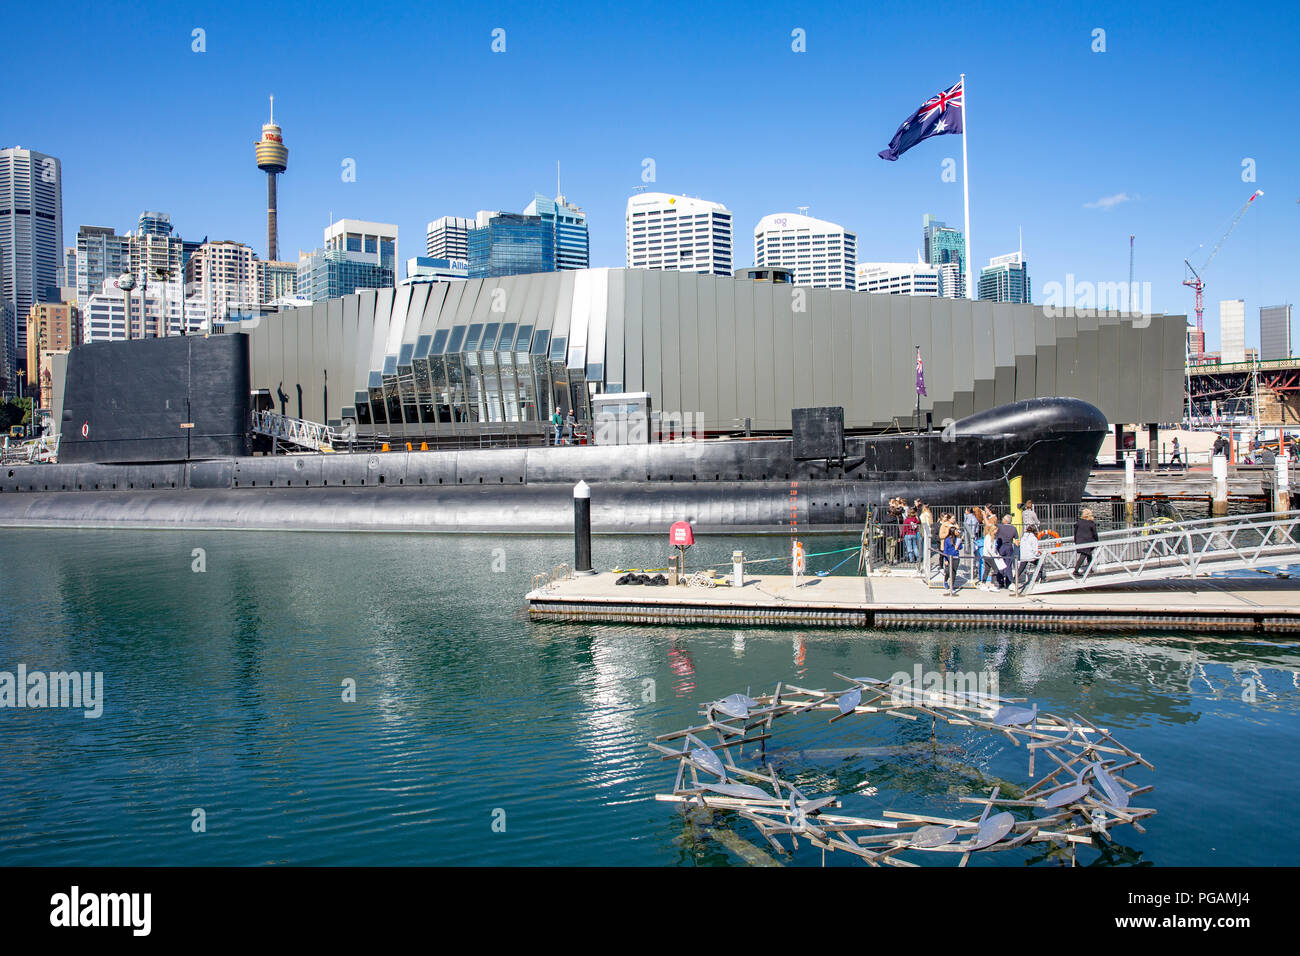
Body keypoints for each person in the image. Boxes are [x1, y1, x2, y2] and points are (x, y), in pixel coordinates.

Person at [1072, 507, 1098, 578]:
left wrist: (1075, 541)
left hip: (1079, 541)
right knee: (1083, 555)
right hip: (1087, 541)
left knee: (1088, 554)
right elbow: (1094, 534)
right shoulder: (1091, 523)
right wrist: (1097, 541)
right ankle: (1076, 571)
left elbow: (1075, 532)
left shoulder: (1079, 522)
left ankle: (1090, 568)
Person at [1017, 525, 1041, 593]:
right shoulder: (1033, 538)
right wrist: (1038, 555)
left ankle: (1014, 580)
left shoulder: (1023, 537)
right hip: (1031, 556)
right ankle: (1040, 577)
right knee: (1040, 564)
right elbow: (1035, 550)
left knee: (1021, 568)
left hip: (1023, 556)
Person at [942, 526, 963, 595]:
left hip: (956, 557)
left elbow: (960, 548)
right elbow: (945, 549)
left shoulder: (958, 539)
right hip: (949, 557)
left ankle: (952, 585)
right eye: (956, 531)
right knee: (948, 571)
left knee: (953, 572)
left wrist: (960, 542)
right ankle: (945, 581)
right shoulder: (947, 539)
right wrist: (945, 559)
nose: (958, 532)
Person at [981, 522, 999, 591]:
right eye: (995, 530)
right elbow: (989, 548)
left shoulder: (993, 537)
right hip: (988, 556)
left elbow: (993, 548)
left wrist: (996, 553)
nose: (996, 531)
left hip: (990, 555)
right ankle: (992, 584)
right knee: (995, 569)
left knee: (987, 570)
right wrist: (994, 555)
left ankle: (984, 583)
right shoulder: (988, 537)